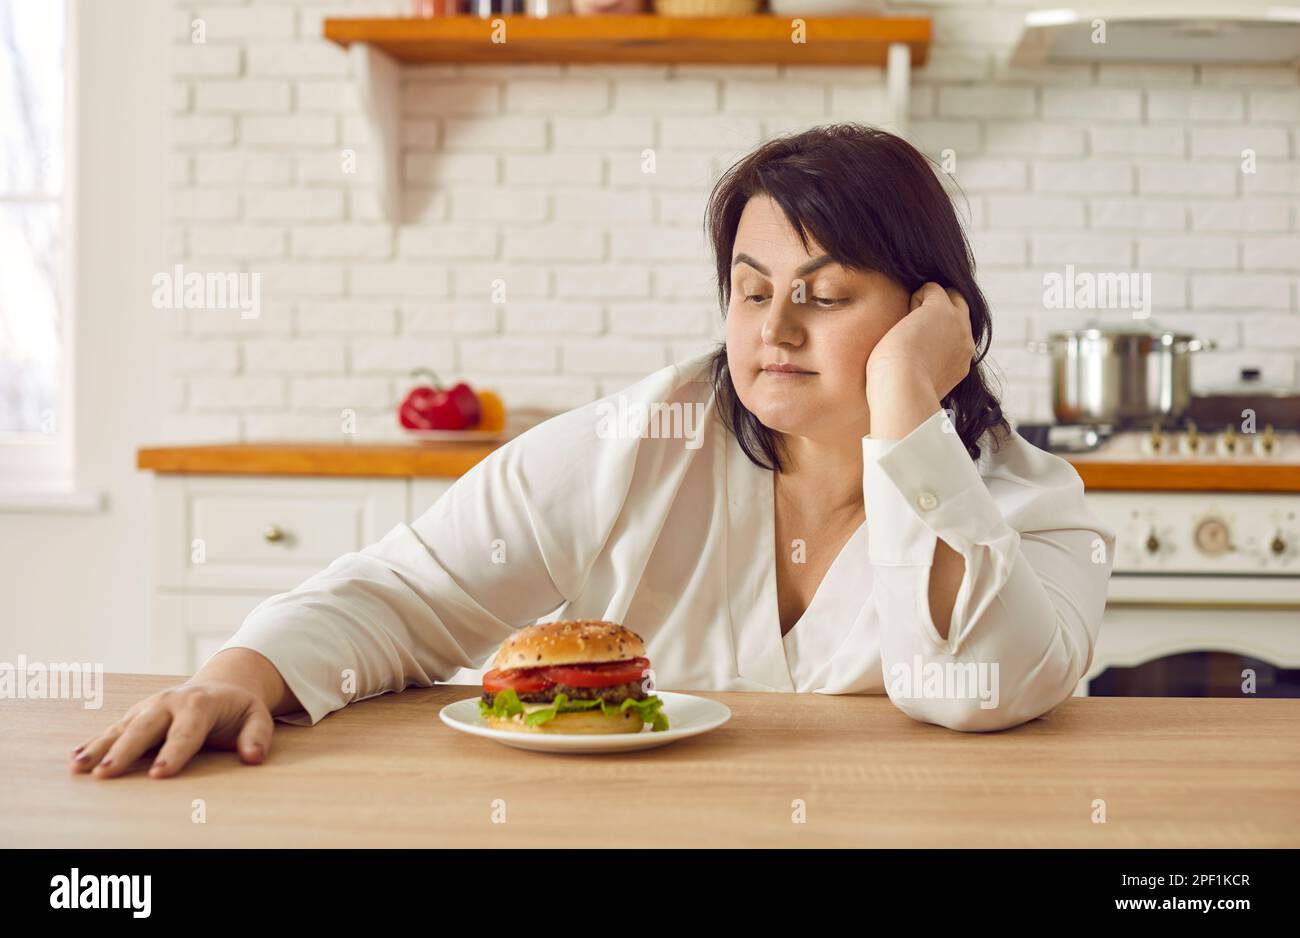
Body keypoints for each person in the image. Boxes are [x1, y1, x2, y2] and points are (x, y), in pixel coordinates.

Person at [72, 123, 1115, 780]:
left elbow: (978, 686)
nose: (773, 330)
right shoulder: (641, 441)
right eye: (751, 292)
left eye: (826, 295)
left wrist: (900, 402)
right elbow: (400, 593)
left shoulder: (1032, 508)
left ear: (935, 313)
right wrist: (237, 675)